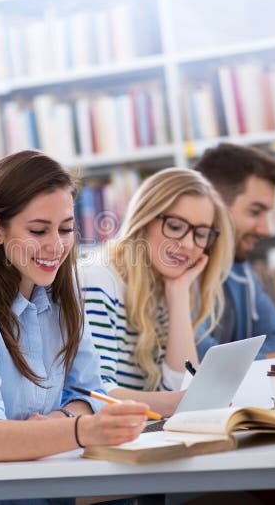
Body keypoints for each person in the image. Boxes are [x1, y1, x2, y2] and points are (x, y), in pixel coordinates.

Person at [0, 150, 150, 505]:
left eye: (66, 229)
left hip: (43, 492)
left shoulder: (59, 301)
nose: (56, 246)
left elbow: (92, 395)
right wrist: (80, 429)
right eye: (38, 230)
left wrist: (58, 419)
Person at [79, 168, 234, 417]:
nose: (188, 244)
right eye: (175, 226)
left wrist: (179, 294)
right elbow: (96, 395)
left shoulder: (161, 289)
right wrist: (183, 402)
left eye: (201, 234)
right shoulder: (98, 280)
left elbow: (178, 387)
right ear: (145, 219)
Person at [192, 142, 275, 360]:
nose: (266, 230)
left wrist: (239, 362)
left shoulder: (241, 271)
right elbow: (205, 358)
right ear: (214, 205)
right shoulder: (178, 275)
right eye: (255, 212)